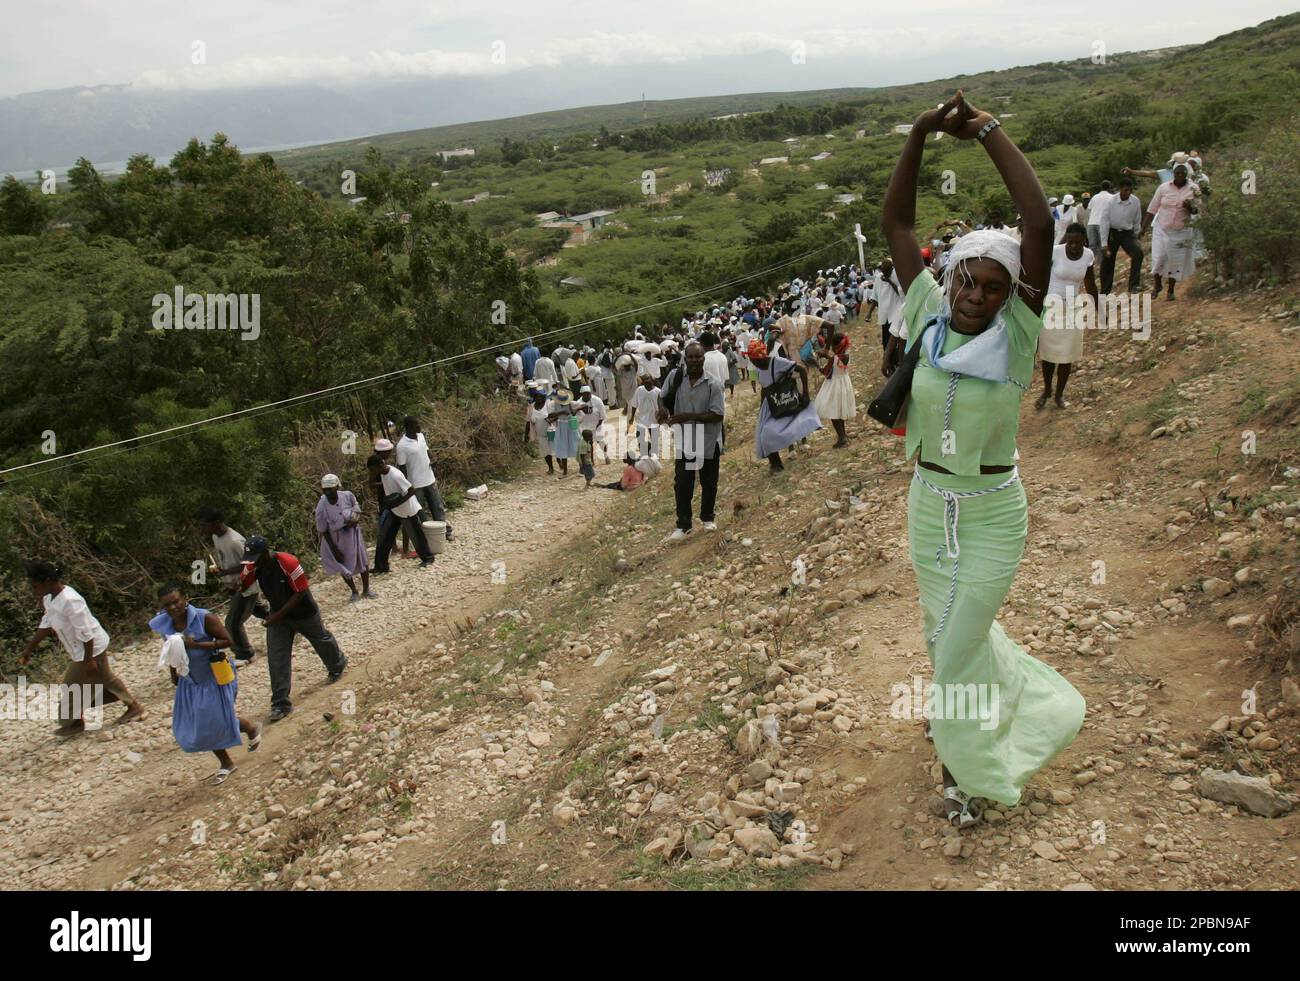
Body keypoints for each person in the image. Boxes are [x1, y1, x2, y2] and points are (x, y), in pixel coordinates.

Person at [881, 90, 1084, 828]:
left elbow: (1037, 221)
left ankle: (967, 775)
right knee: (947, 643)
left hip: (995, 514)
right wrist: (918, 135)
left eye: (994, 288)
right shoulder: (929, 312)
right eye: (968, 278)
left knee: (960, 644)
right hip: (930, 508)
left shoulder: (1020, 335)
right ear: (953, 274)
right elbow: (897, 222)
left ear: (1012, 297)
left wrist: (988, 130)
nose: (975, 295)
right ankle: (963, 726)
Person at [150, 583, 261, 784]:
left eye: (176, 602)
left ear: (186, 599)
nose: (173, 608)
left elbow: (229, 642)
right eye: (168, 605)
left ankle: (247, 734)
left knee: (211, 720)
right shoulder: (166, 624)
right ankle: (231, 756)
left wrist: (197, 645)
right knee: (203, 723)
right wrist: (173, 673)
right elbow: (171, 650)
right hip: (190, 680)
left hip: (214, 677)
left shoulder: (204, 617)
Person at [17, 560, 146, 732]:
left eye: (35, 586)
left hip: (91, 649)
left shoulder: (70, 600)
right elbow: (46, 624)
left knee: (72, 685)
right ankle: (131, 706)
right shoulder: (49, 599)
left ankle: (74, 722)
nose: (34, 591)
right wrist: (28, 650)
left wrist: (88, 660)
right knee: (105, 679)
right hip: (81, 650)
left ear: (48, 581)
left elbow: (85, 632)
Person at [238, 536, 348, 722]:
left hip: (303, 611)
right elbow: (243, 585)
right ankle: (280, 703)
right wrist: (235, 587)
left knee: (320, 639)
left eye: (256, 558)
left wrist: (276, 616)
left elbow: (300, 593)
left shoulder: (288, 562)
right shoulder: (253, 567)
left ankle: (337, 664)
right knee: (277, 656)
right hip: (278, 615)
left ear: (266, 553)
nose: (253, 562)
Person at [658, 340, 725, 540]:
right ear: (685, 359)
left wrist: (687, 416)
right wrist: (662, 409)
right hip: (686, 442)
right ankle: (684, 525)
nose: (694, 360)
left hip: (707, 441)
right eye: (691, 357)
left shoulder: (713, 384)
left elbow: (717, 415)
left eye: (698, 357)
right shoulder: (675, 377)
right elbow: (662, 397)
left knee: (708, 482)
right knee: (683, 483)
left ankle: (707, 518)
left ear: (704, 358)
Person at [198, 507, 268, 667]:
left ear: (216, 523)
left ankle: (245, 653)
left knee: (233, 623)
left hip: (245, 587)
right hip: (235, 585)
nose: (204, 529)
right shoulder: (216, 537)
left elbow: (251, 563)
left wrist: (229, 573)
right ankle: (287, 620)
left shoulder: (235, 541)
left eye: (205, 525)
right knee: (260, 610)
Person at [1037, 222, 1097, 410]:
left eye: (1077, 243)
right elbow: (1041, 275)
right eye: (1070, 242)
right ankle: (1047, 390)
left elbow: (1090, 282)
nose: (1073, 246)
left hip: (1073, 307)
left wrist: (1098, 306)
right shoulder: (1055, 252)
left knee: (1067, 354)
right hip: (1051, 305)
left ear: (1084, 241)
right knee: (1048, 354)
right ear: (1066, 240)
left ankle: (1059, 395)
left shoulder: (1088, 255)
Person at [748, 338, 820, 471]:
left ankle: (782, 460)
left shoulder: (778, 362)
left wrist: (805, 393)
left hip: (784, 400)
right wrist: (761, 408)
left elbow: (802, 371)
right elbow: (764, 388)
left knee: (777, 431)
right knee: (763, 435)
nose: (753, 363)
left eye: (755, 360)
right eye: (752, 360)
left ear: (761, 357)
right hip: (770, 404)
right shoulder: (759, 369)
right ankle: (775, 463)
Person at [366, 455, 435, 571]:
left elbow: (412, 490)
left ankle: (428, 558)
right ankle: (381, 566)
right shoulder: (383, 473)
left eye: (373, 470)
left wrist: (398, 501)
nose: (373, 472)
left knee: (416, 536)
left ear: (379, 466)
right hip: (394, 510)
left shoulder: (395, 475)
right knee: (384, 536)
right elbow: (378, 485)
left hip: (407, 510)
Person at [1143, 163, 1200, 301]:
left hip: (1181, 230)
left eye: (1182, 174)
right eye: (1177, 174)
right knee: (1159, 258)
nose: (1180, 176)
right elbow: (1152, 208)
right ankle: (1157, 286)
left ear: (1186, 175)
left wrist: (1190, 206)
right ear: (1173, 174)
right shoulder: (1163, 188)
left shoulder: (1194, 188)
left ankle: (1170, 290)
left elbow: (1197, 209)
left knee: (1175, 261)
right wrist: (1143, 228)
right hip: (1162, 228)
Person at [315, 473, 375, 602]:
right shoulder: (322, 506)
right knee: (343, 564)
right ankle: (354, 591)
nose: (328, 492)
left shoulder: (347, 496)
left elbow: (357, 510)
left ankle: (366, 589)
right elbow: (323, 530)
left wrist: (354, 521)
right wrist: (334, 549)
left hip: (352, 534)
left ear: (337, 487)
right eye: (325, 490)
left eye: (330, 489)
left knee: (362, 560)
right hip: (336, 538)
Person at [396, 415, 452, 542]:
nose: (419, 426)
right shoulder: (402, 446)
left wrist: (433, 459)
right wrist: (406, 488)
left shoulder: (421, 437)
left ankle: (444, 532)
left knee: (437, 507)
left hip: (430, 479)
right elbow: (402, 468)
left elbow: (427, 452)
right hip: (416, 484)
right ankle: (428, 537)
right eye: (416, 424)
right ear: (409, 427)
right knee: (420, 512)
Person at [1098, 176, 1143, 294]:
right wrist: (1104, 243)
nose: (1128, 193)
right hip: (1112, 233)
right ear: (1120, 189)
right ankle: (1105, 291)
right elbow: (1104, 221)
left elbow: (1137, 219)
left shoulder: (1135, 201)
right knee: (1108, 260)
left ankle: (1134, 285)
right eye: (1125, 190)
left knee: (1138, 253)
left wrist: (1137, 235)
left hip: (1127, 233)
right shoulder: (1110, 201)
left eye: (1130, 190)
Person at [813, 331, 855, 448]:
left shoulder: (834, 358)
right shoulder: (847, 355)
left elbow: (825, 371)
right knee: (840, 411)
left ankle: (842, 438)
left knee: (833, 412)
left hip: (834, 386)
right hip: (845, 383)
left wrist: (816, 364)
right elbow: (837, 361)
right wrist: (828, 357)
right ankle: (843, 435)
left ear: (836, 346)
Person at [628, 374, 663, 458]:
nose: (647, 381)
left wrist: (661, 419)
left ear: (652, 380)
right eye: (645, 380)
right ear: (643, 382)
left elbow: (661, 406)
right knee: (640, 437)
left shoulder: (658, 391)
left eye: (648, 379)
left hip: (654, 419)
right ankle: (643, 454)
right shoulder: (639, 390)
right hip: (641, 419)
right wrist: (632, 418)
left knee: (654, 438)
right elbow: (634, 405)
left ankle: (654, 455)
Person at [547, 388, 579, 477]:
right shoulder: (553, 404)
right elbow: (550, 415)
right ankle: (565, 470)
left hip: (570, 426)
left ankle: (581, 467)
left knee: (576, 445)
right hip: (560, 426)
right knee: (562, 447)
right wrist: (562, 412)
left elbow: (582, 406)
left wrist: (574, 411)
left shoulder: (571, 403)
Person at [524, 386, 556, 474]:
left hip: (551, 431)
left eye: (541, 396)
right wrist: (526, 435)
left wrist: (551, 419)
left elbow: (556, 415)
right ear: (534, 397)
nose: (539, 398)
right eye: (537, 396)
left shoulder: (548, 404)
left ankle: (561, 463)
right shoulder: (531, 407)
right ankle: (551, 468)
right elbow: (528, 421)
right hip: (540, 434)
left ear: (544, 397)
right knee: (545, 451)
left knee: (555, 449)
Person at [576, 385, 609, 463]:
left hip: (597, 424)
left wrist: (599, 424)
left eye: (589, 394)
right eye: (585, 394)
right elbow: (577, 417)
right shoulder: (578, 403)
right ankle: (591, 460)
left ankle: (606, 456)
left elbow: (602, 414)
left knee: (601, 441)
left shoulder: (597, 400)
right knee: (588, 444)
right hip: (585, 427)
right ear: (582, 394)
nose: (588, 395)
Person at [1086, 181, 1113, 258]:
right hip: (1102, 224)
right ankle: (1101, 265)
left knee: (1092, 246)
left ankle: (1091, 265)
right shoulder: (1112, 197)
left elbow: (1089, 210)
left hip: (1091, 223)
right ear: (1109, 188)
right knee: (1103, 245)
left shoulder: (1095, 197)